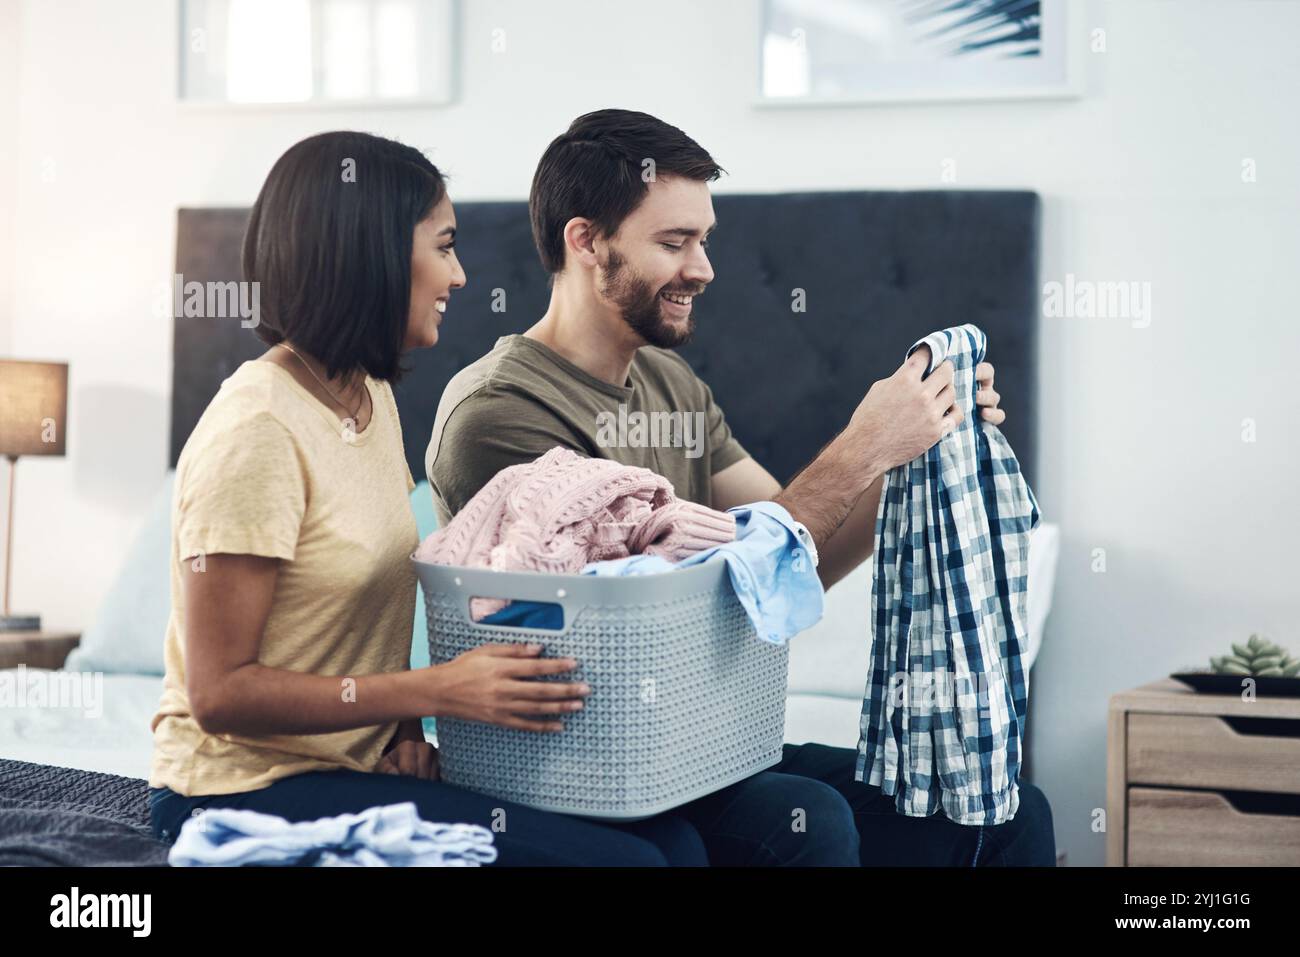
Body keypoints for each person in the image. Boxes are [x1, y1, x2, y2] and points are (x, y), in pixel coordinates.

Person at [147, 130, 828, 866]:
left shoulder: (366, 396)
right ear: (373, 253)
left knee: (670, 843)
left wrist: (405, 733)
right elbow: (220, 694)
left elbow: (360, 618)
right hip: (240, 788)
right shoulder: (258, 429)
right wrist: (433, 692)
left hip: (355, 765)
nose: (461, 275)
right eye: (443, 247)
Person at [425, 109, 1057, 866]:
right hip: (590, 757)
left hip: (697, 740)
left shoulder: (669, 382)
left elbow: (792, 556)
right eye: (674, 242)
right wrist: (860, 443)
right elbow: (640, 634)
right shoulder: (500, 413)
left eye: (704, 240)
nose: (703, 269)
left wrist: (912, 447)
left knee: (1008, 812)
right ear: (586, 241)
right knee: (809, 820)